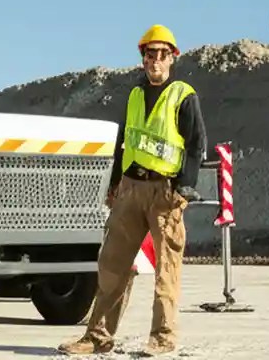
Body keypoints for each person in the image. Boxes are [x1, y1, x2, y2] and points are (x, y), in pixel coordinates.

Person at [58, 24, 206, 356]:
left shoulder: (184, 96)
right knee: (112, 265)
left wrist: (184, 187)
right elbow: (123, 143)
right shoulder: (136, 95)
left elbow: (197, 144)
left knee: (166, 270)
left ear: (172, 58)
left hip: (165, 192)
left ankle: (162, 338)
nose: (156, 60)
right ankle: (97, 337)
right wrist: (113, 184)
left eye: (162, 54)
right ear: (142, 59)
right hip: (130, 189)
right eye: (150, 54)